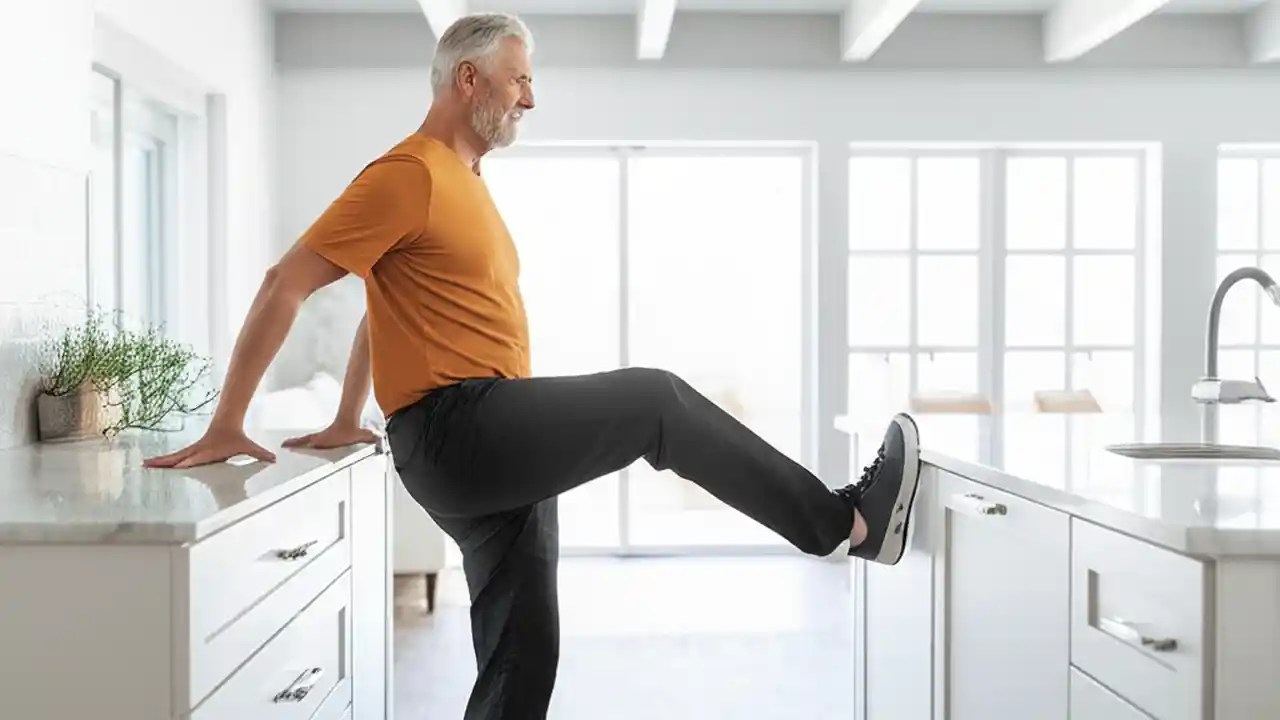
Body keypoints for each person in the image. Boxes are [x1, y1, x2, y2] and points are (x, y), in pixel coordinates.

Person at [144, 12, 923, 720]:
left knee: (523, 660)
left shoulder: (465, 182)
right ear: (468, 79)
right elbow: (284, 282)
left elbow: (386, 299)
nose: (530, 97)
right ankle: (842, 525)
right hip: (461, 432)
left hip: (488, 434)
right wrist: (228, 422)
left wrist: (351, 415)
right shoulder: (408, 173)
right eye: (518, 79)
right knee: (655, 402)